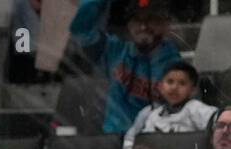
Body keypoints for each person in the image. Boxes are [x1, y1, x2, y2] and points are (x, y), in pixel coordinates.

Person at [70, 0, 181, 134]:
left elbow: (185, 116)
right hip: (115, 141)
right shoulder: (114, 50)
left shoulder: (176, 65)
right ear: (128, 24)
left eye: (151, 19)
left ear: (164, 24)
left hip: (156, 141)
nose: (143, 26)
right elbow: (81, 29)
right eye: (137, 20)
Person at [121, 62, 216, 149]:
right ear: (160, 86)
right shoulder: (151, 114)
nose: (174, 87)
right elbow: (130, 140)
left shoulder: (195, 108)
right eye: (170, 82)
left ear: (193, 90)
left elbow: (218, 121)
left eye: (182, 83)